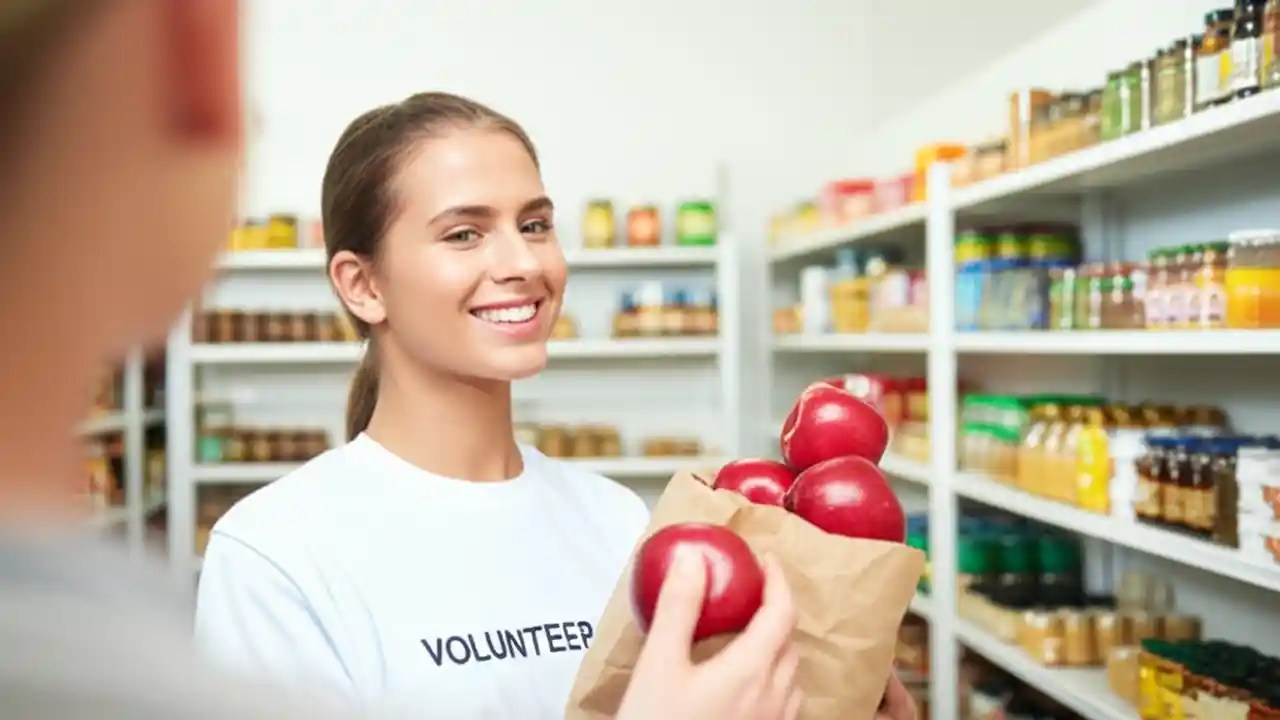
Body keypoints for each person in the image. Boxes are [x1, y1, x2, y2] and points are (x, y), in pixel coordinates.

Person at [0, 2, 811, 719]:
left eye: (534, 223)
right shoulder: (277, 551)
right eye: (464, 232)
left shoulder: (619, 520)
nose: (523, 262)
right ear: (362, 286)